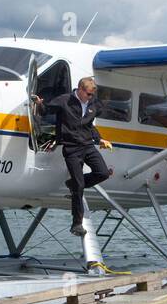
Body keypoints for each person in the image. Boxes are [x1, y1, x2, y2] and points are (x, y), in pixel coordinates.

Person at [34, 76, 113, 236]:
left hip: (88, 145)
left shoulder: (92, 104)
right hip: (72, 148)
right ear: (80, 90)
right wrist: (39, 104)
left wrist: (100, 139)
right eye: (89, 94)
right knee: (79, 187)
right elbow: (46, 111)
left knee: (103, 173)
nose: (91, 98)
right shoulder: (64, 100)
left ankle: (73, 184)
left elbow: (89, 125)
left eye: (92, 95)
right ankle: (76, 224)